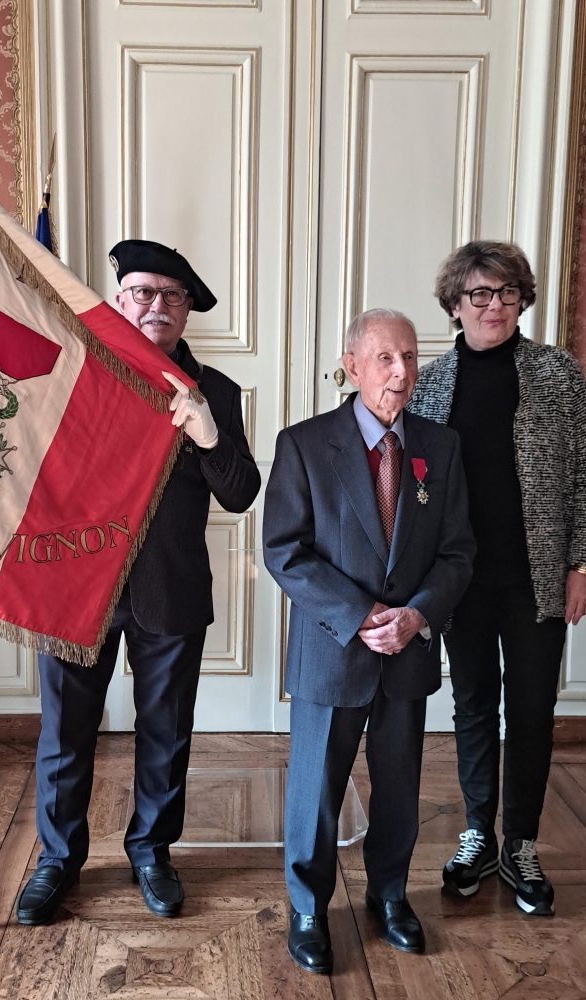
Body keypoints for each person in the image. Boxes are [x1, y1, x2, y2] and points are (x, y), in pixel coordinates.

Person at [0, 239, 260, 924]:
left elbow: (240, 494)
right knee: (64, 735)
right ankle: (58, 859)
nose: (156, 306)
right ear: (119, 300)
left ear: (186, 311)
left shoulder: (218, 393)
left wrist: (209, 436)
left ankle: (152, 852)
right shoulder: (73, 376)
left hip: (170, 591)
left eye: (171, 296)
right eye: (143, 292)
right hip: (75, 585)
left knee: (167, 733)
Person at [263, 309, 475, 974]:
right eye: (385, 358)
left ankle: (389, 895)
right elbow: (284, 551)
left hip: (407, 651)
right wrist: (360, 615)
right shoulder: (303, 444)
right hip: (333, 652)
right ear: (352, 366)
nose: (401, 371)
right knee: (316, 790)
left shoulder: (440, 447)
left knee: (400, 784)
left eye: (409, 357)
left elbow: (458, 552)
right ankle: (308, 909)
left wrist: (415, 616)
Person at [407, 241, 586, 916]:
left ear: (521, 299)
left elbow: (583, 475)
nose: (494, 306)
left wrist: (581, 564)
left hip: (537, 577)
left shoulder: (557, 373)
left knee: (533, 709)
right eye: (479, 294)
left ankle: (522, 844)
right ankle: (478, 834)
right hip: (461, 579)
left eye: (507, 292)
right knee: (474, 702)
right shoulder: (429, 384)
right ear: (455, 305)